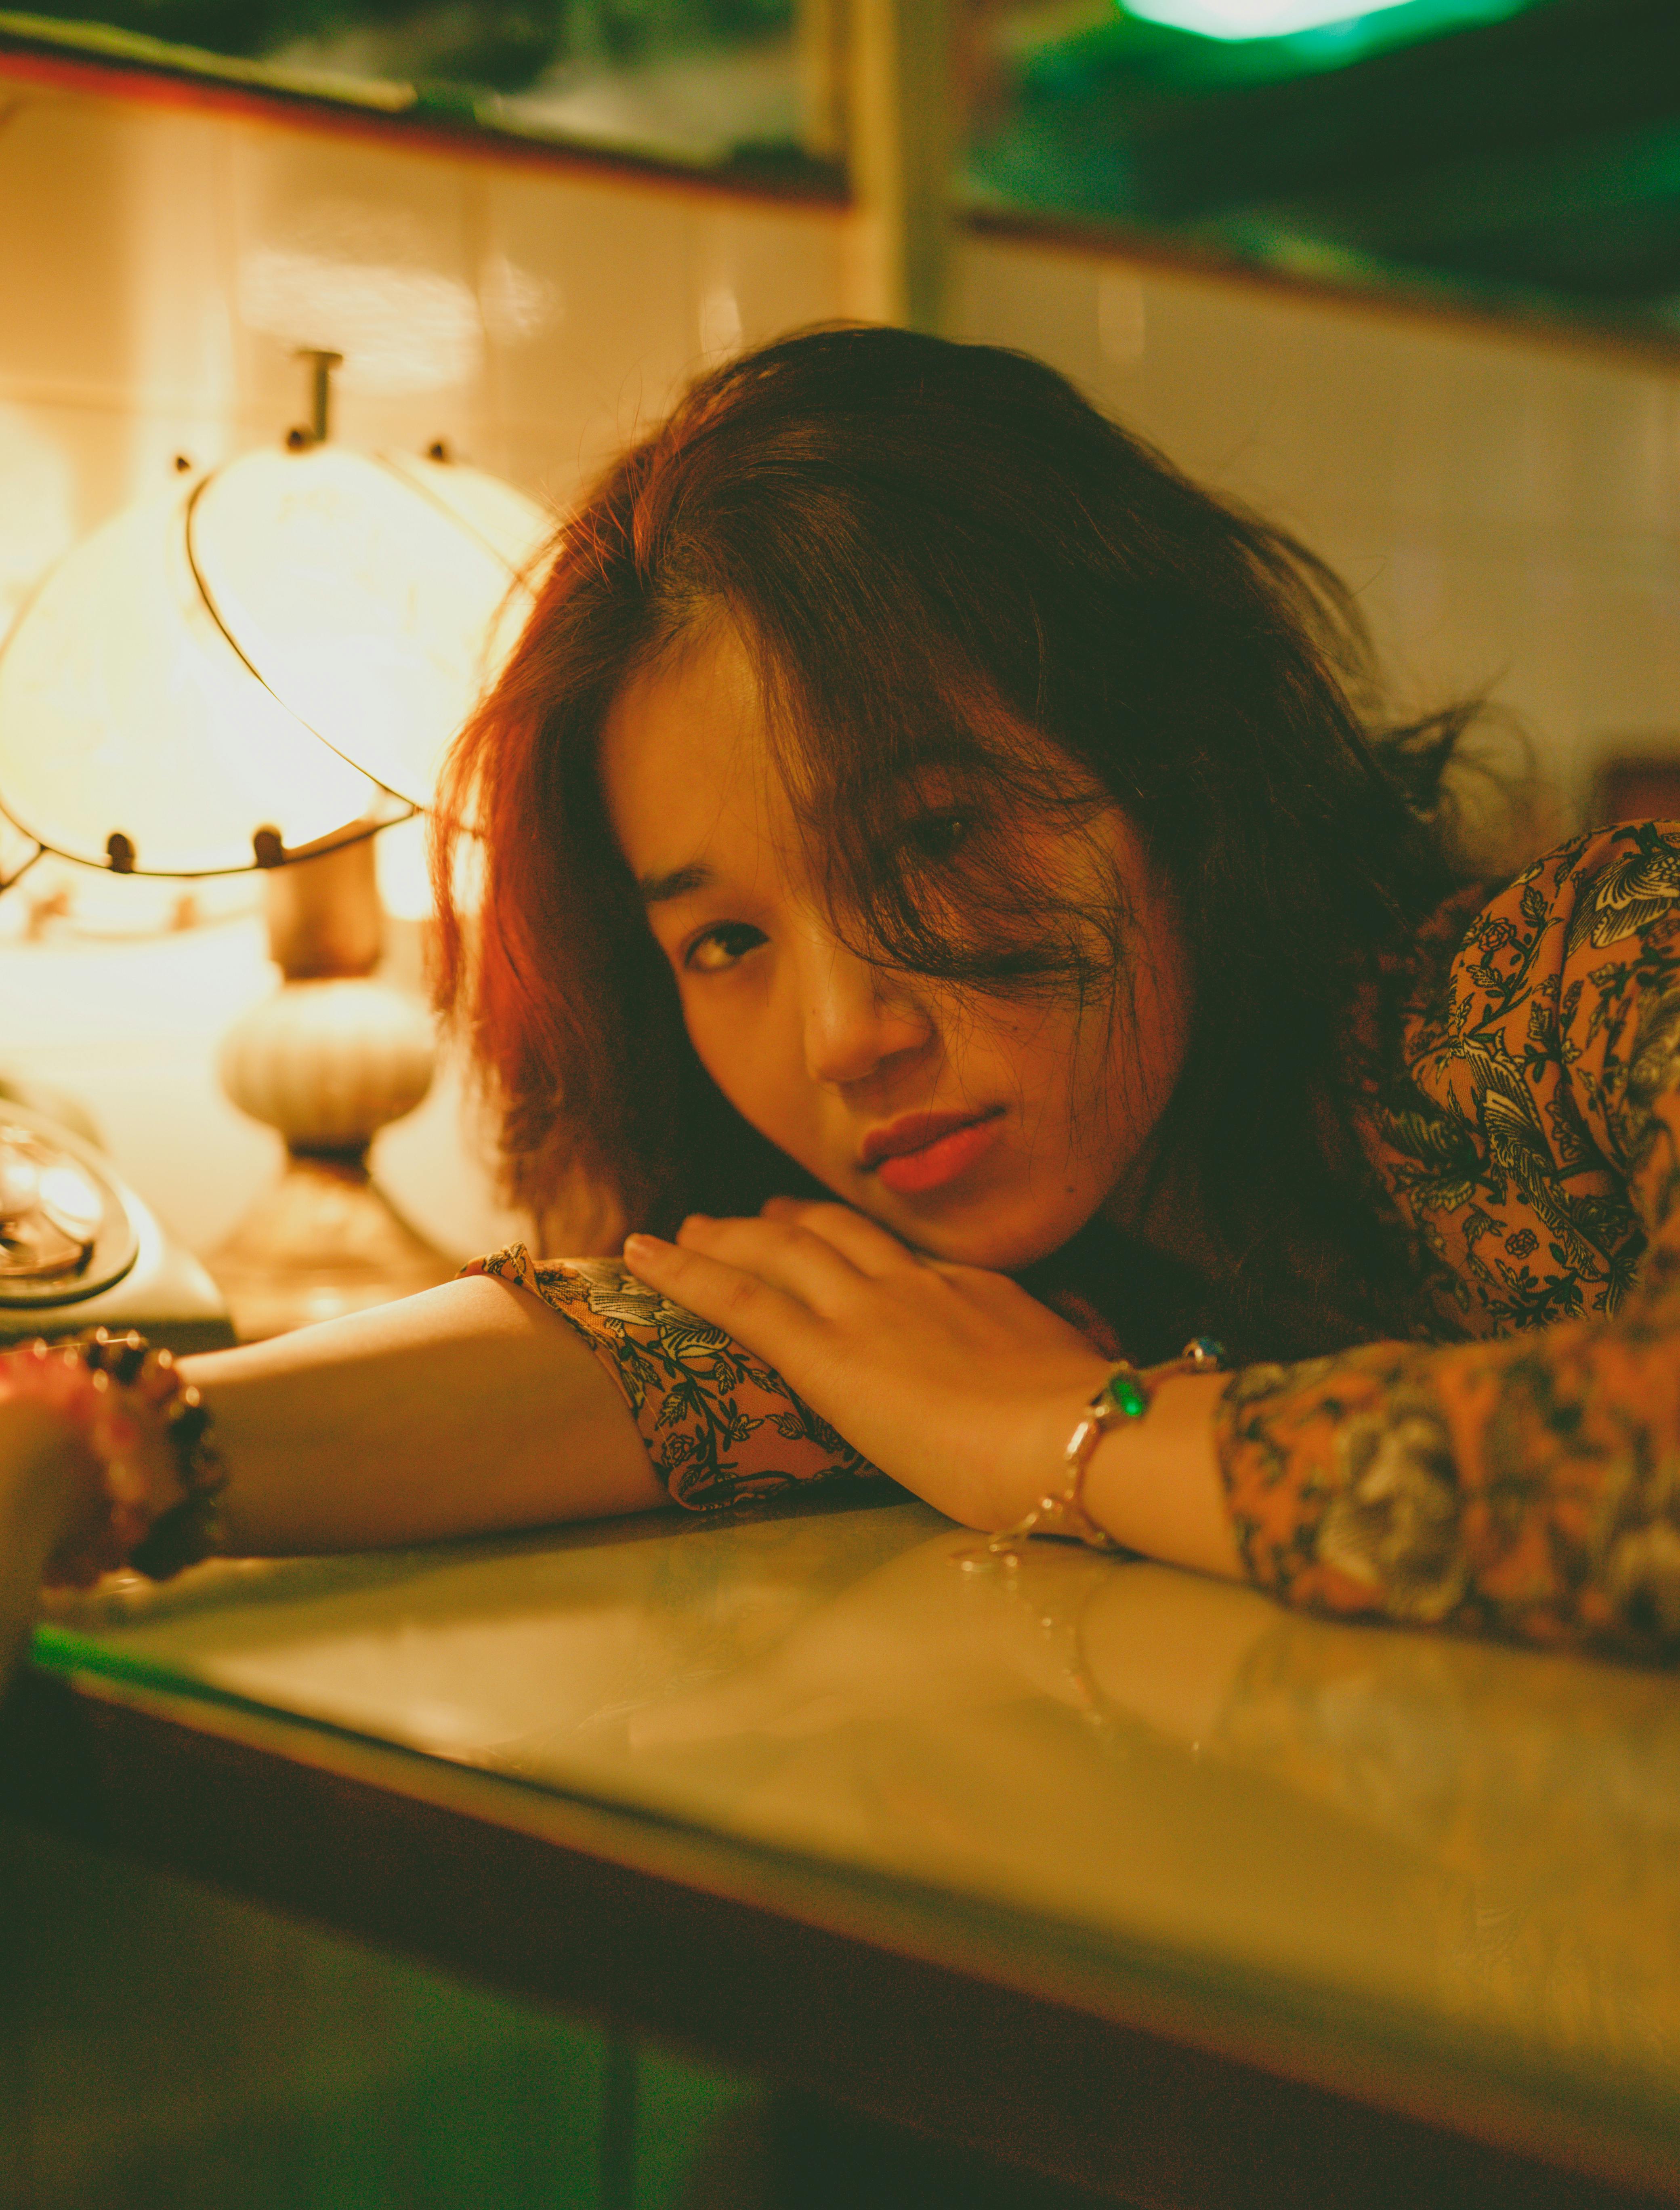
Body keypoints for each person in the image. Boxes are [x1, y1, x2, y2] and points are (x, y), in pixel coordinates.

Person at [6, 322, 1680, 1676]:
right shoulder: (988, 1266)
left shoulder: (1596, 972)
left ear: (1174, 761)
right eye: (723, 943)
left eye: (930, 838)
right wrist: (95, 1451)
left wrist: (1065, 1432)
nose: (843, 1037)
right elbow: (653, 1351)